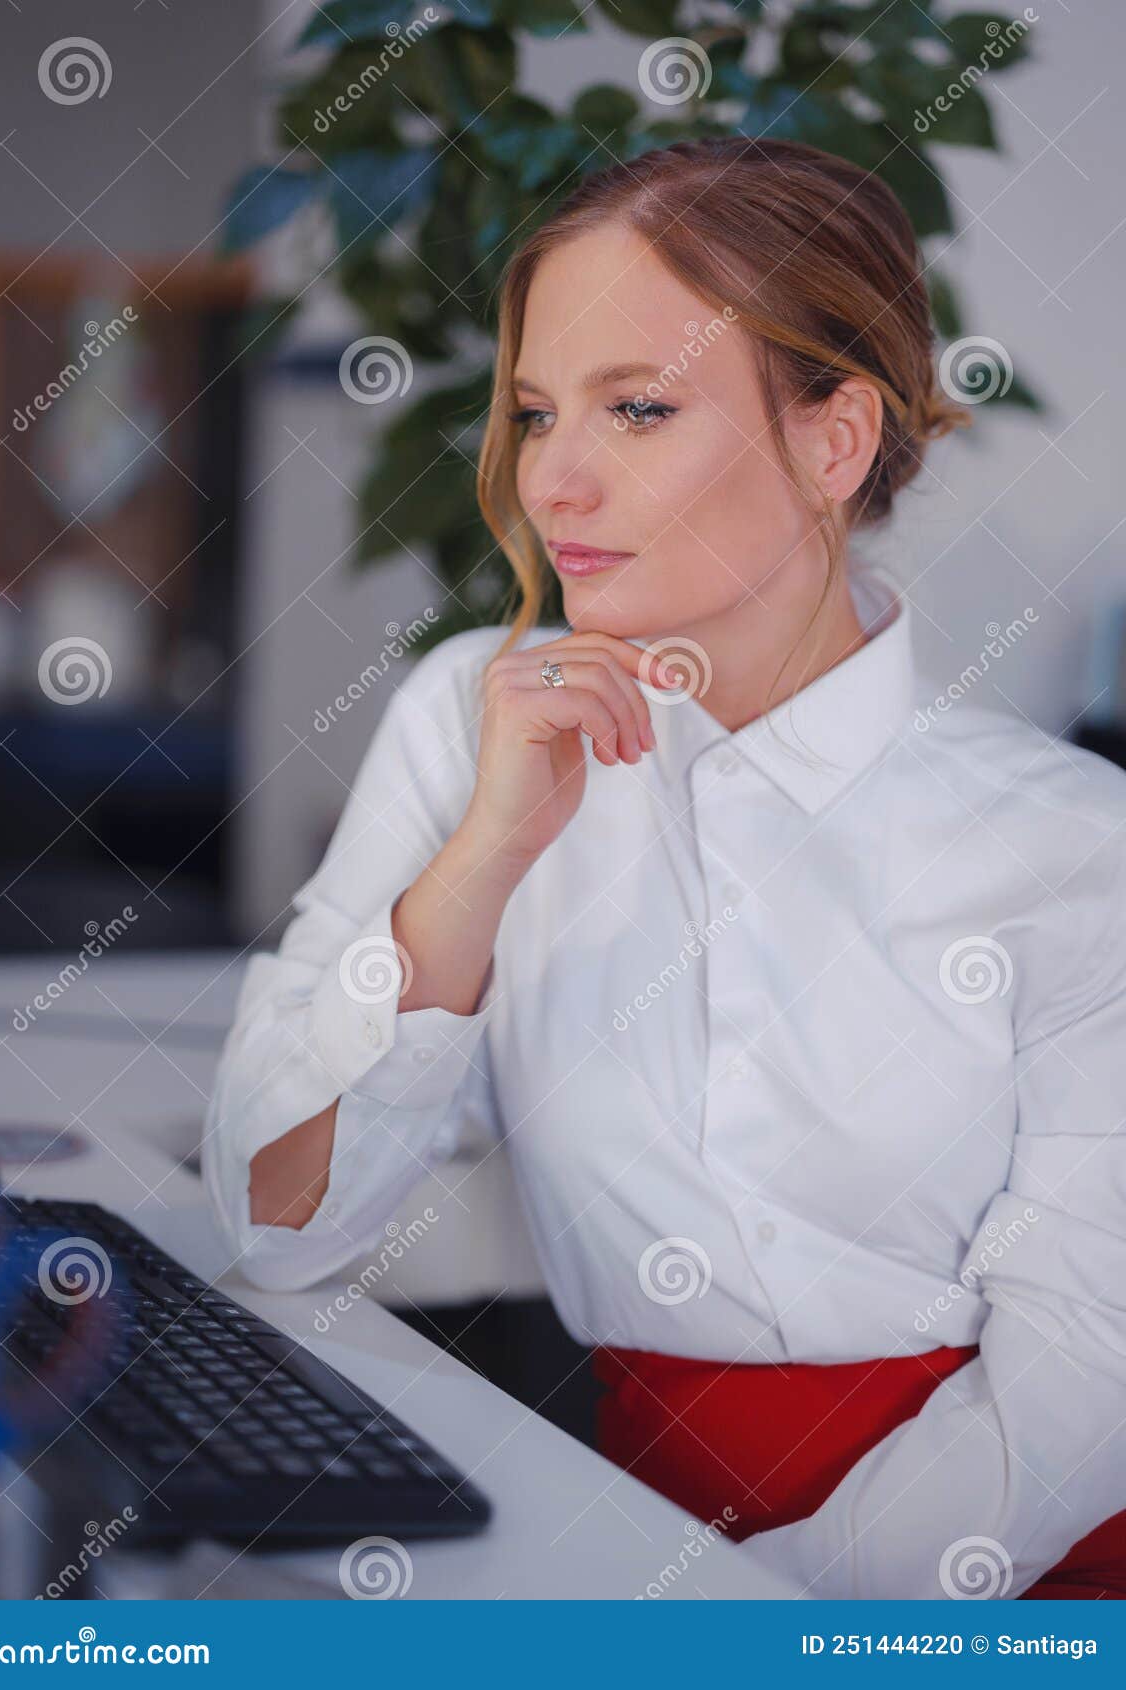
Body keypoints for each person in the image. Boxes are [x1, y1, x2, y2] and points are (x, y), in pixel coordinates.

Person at [203, 137, 1126, 1599]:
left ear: (834, 442)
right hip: (628, 1545)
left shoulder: (1079, 849)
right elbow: (281, 1221)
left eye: (637, 410)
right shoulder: (475, 716)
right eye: (533, 412)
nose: (552, 478)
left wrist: (720, 1623)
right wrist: (487, 854)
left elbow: (1086, 1376)